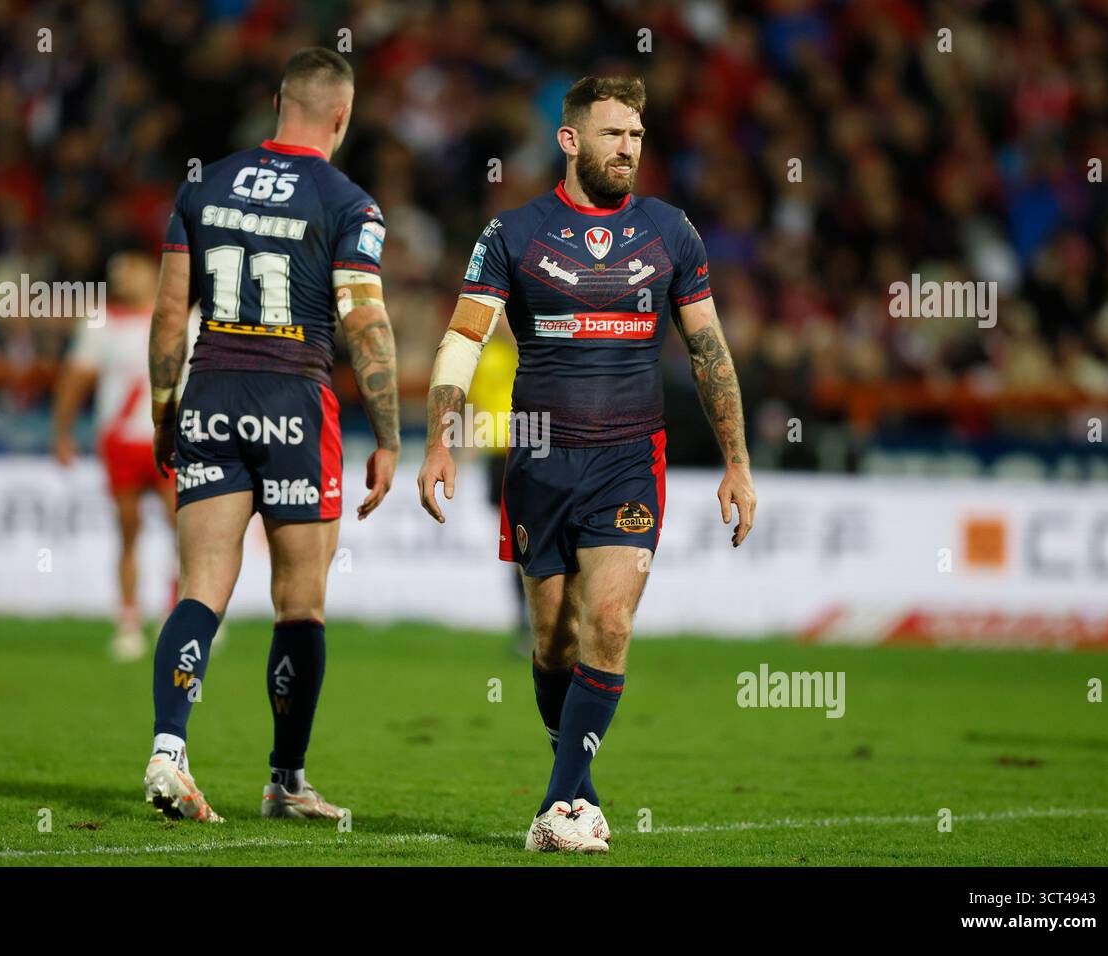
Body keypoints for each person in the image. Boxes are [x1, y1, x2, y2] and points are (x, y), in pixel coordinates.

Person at [417, 76, 757, 853]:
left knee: (608, 621)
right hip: (537, 455)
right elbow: (463, 339)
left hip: (631, 458)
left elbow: (709, 352)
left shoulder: (672, 233)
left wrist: (738, 462)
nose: (627, 149)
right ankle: (576, 789)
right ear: (569, 140)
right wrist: (441, 437)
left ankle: (560, 802)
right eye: (612, 135)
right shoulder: (513, 234)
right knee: (553, 641)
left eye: (636, 135)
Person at [142, 47, 399, 824]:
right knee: (299, 604)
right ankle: (286, 781)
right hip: (295, 399)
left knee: (202, 586)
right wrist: (388, 435)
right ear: (342, 116)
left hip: (212, 391)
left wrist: (166, 411)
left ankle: (168, 747)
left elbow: (166, 317)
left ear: (278, 100)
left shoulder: (203, 182)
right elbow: (367, 323)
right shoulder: (350, 202)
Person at [53, 251, 183, 661]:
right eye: (117, 272)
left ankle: (176, 613)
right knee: (127, 531)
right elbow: (76, 376)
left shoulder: (182, 318)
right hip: (121, 442)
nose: (121, 277)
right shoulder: (100, 321)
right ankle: (128, 619)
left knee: (183, 529)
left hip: (169, 439)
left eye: (130, 268)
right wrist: (62, 431)